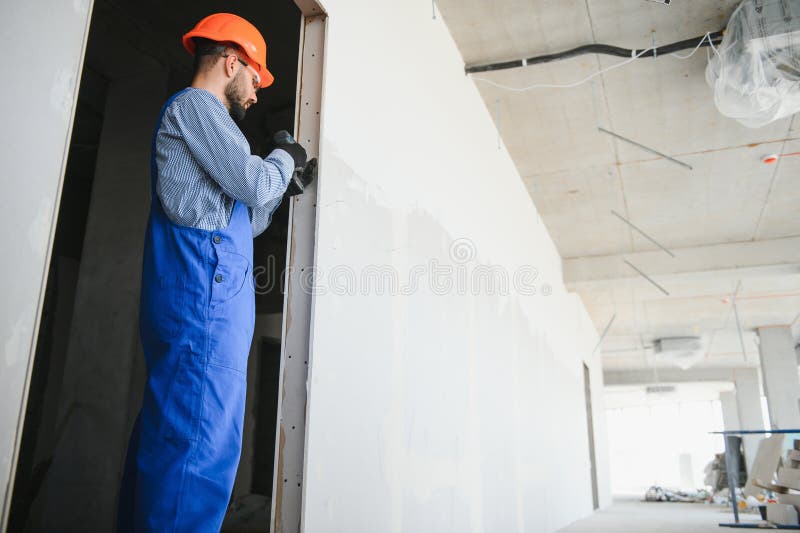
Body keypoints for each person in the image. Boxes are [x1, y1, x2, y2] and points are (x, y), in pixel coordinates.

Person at [116, 13, 310, 532]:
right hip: (201, 313)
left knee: (178, 446)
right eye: (255, 79)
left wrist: (281, 184)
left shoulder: (206, 131)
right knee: (195, 458)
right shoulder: (196, 108)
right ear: (231, 62)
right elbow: (253, 181)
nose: (254, 95)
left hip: (203, 313)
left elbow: (243, 214)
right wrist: (283, 160)